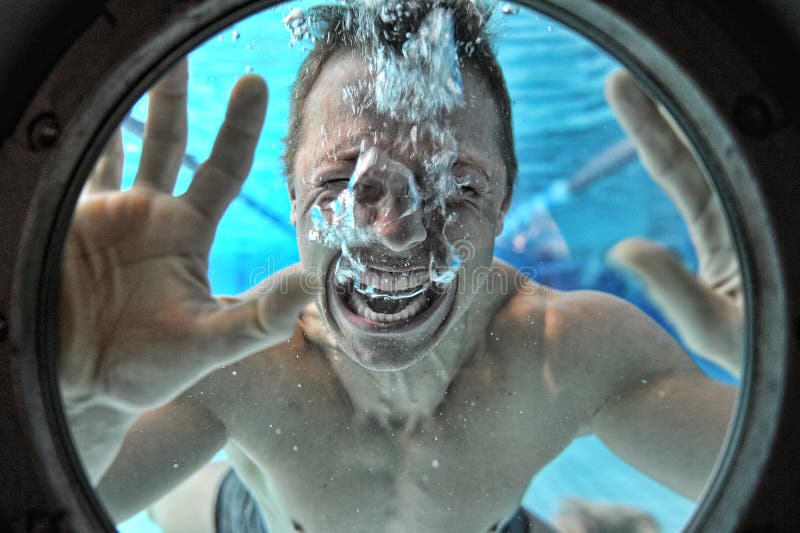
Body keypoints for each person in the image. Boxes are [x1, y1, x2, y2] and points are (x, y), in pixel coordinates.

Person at [59, 1, 740, 532]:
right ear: (294, 200)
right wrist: (78, 411)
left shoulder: (568, 355)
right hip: (259, 522)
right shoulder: (239, 361)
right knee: (183, 505)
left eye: (458, 185)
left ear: (503, 203)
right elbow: (49, 498)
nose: (394, 232)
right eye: (342, 183)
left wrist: (778, 369)